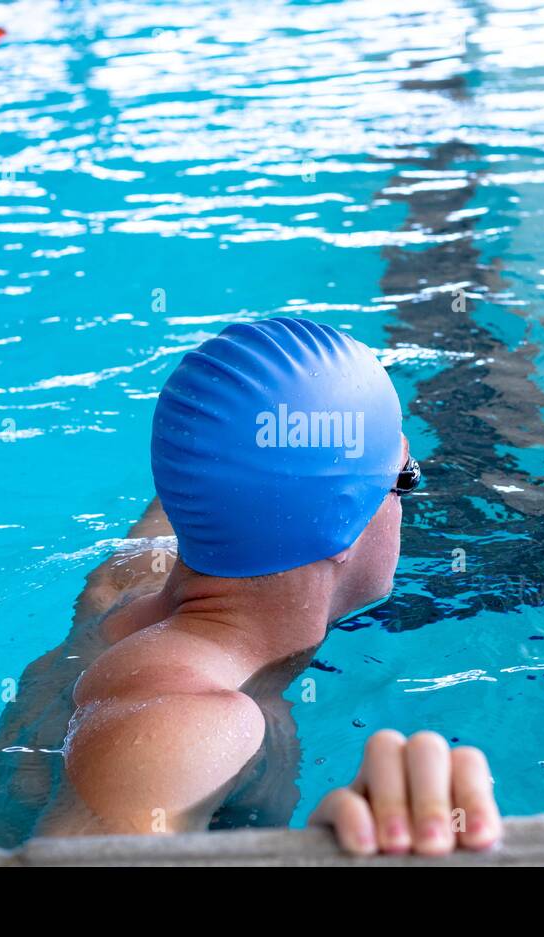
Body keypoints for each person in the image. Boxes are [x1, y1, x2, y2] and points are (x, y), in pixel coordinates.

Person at [32, 316, 502, 856]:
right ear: (340, 521)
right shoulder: (189, 723)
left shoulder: (131, 579)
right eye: (405, 478)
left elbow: (213, 459)